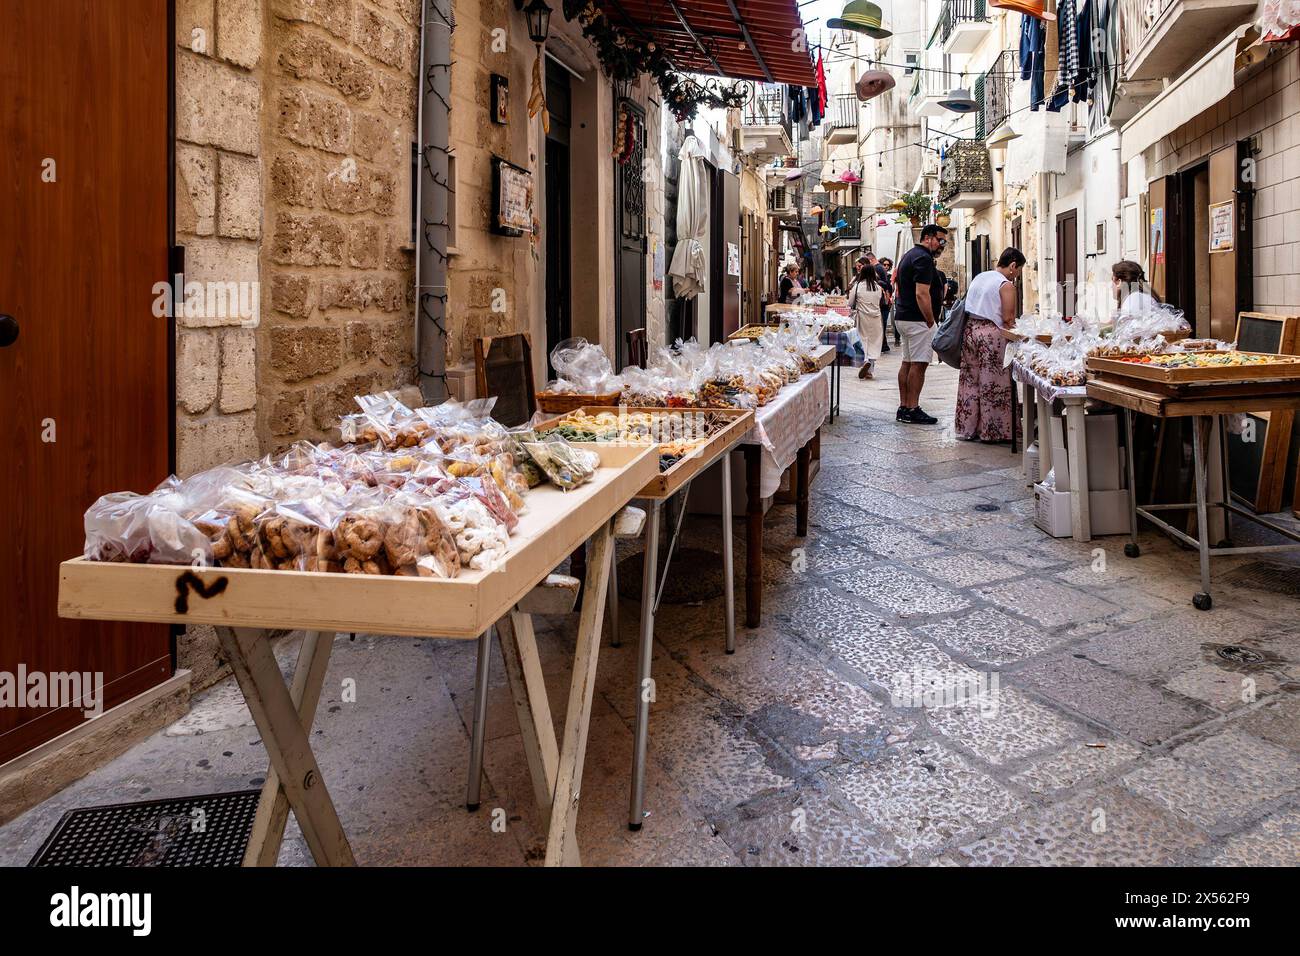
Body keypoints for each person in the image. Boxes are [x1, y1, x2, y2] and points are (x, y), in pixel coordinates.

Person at [955, 247, 1025, 442]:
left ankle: (969, 428)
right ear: (1013, 266)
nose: (1017, 275)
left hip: (970, 331)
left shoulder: (980, 277)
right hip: (991, 336)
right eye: (1018, 271)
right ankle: (994, 430)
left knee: (970, 380)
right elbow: (1008, 318)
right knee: (994, 383)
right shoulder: (1005, 285)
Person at [892, 224, 948, 424]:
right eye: (940, 240)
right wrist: (930, 319)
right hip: (917, 320)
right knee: (919, 364)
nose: (942, 245)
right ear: (929, 238)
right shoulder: (923, 259)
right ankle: (912, 408)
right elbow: (921, 293)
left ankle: (904, 407)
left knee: (907, 362)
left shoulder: (910, 254)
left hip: (904, 317)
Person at [847, 262, 882, 379]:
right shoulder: (878, 287)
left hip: (862, 317)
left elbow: (850, 303)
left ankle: (864, 360)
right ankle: (870, 369)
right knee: (874, 342)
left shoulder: (857, 286)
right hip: (876, 318)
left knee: (862, 340)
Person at [877, 255, 896, 351]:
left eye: (888, 265)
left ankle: (884, 344)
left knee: (883, 323)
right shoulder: (878, 277)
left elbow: (891, 289)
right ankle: (882, 344)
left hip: (886, 303)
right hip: (879, 303)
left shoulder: (889, 277)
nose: (886, 266)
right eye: (884, 264)